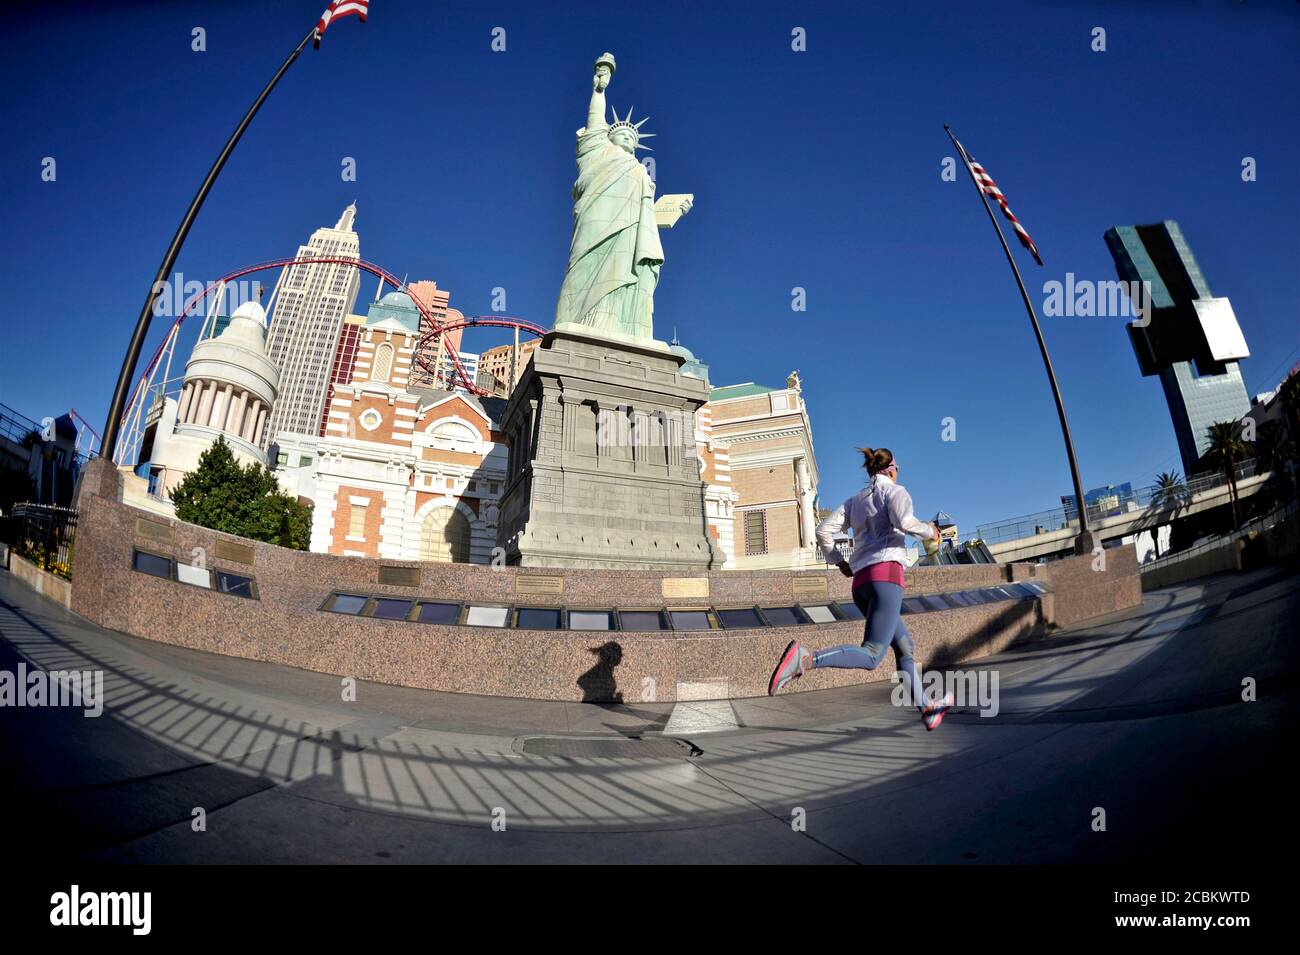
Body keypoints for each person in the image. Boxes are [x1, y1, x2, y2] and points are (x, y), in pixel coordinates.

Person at [768, 446, 955, 730]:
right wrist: (931, 531)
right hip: (886, 578)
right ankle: (806, 658)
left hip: (861, 584)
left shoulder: (854, 501)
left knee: (905, 646)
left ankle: (927, 708)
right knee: (871, 655)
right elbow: (905, 522)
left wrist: (839, 562)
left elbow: (822, 531)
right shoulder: (896, 491)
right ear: (892, 468)